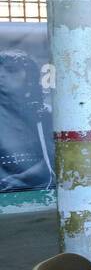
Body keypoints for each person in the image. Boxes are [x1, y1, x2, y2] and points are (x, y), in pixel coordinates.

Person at [0, 48, 54, 193]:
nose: (1, 75)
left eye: (11, 70)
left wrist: (21, 180)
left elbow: (55, 158)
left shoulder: (45, 114)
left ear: (29, 77)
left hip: (41, 196)